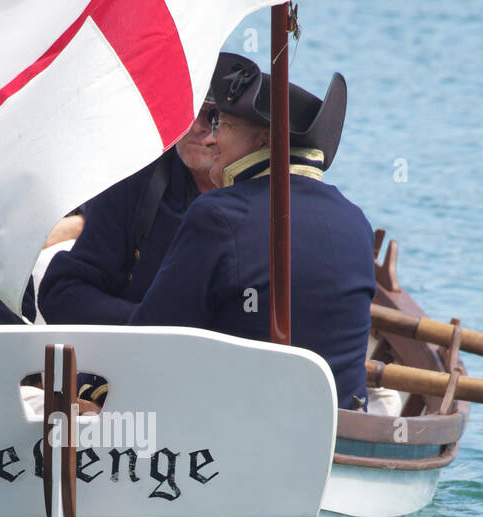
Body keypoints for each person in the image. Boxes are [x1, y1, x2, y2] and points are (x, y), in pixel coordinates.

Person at [127, 55, 374, 410]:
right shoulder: (357, 221)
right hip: (343, 424)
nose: (211, 139)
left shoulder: (216, 215)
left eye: (221, 124)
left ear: (264, 140)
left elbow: (150, 343)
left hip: (242, 426)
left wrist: (90, 390)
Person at [36, 54, 237, 325]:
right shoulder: (136, 182)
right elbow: (63, 294)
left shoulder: (270, 199)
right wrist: (152, 327)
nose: (197, 127)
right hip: (140, 359)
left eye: (214, 116)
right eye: (187, 109)